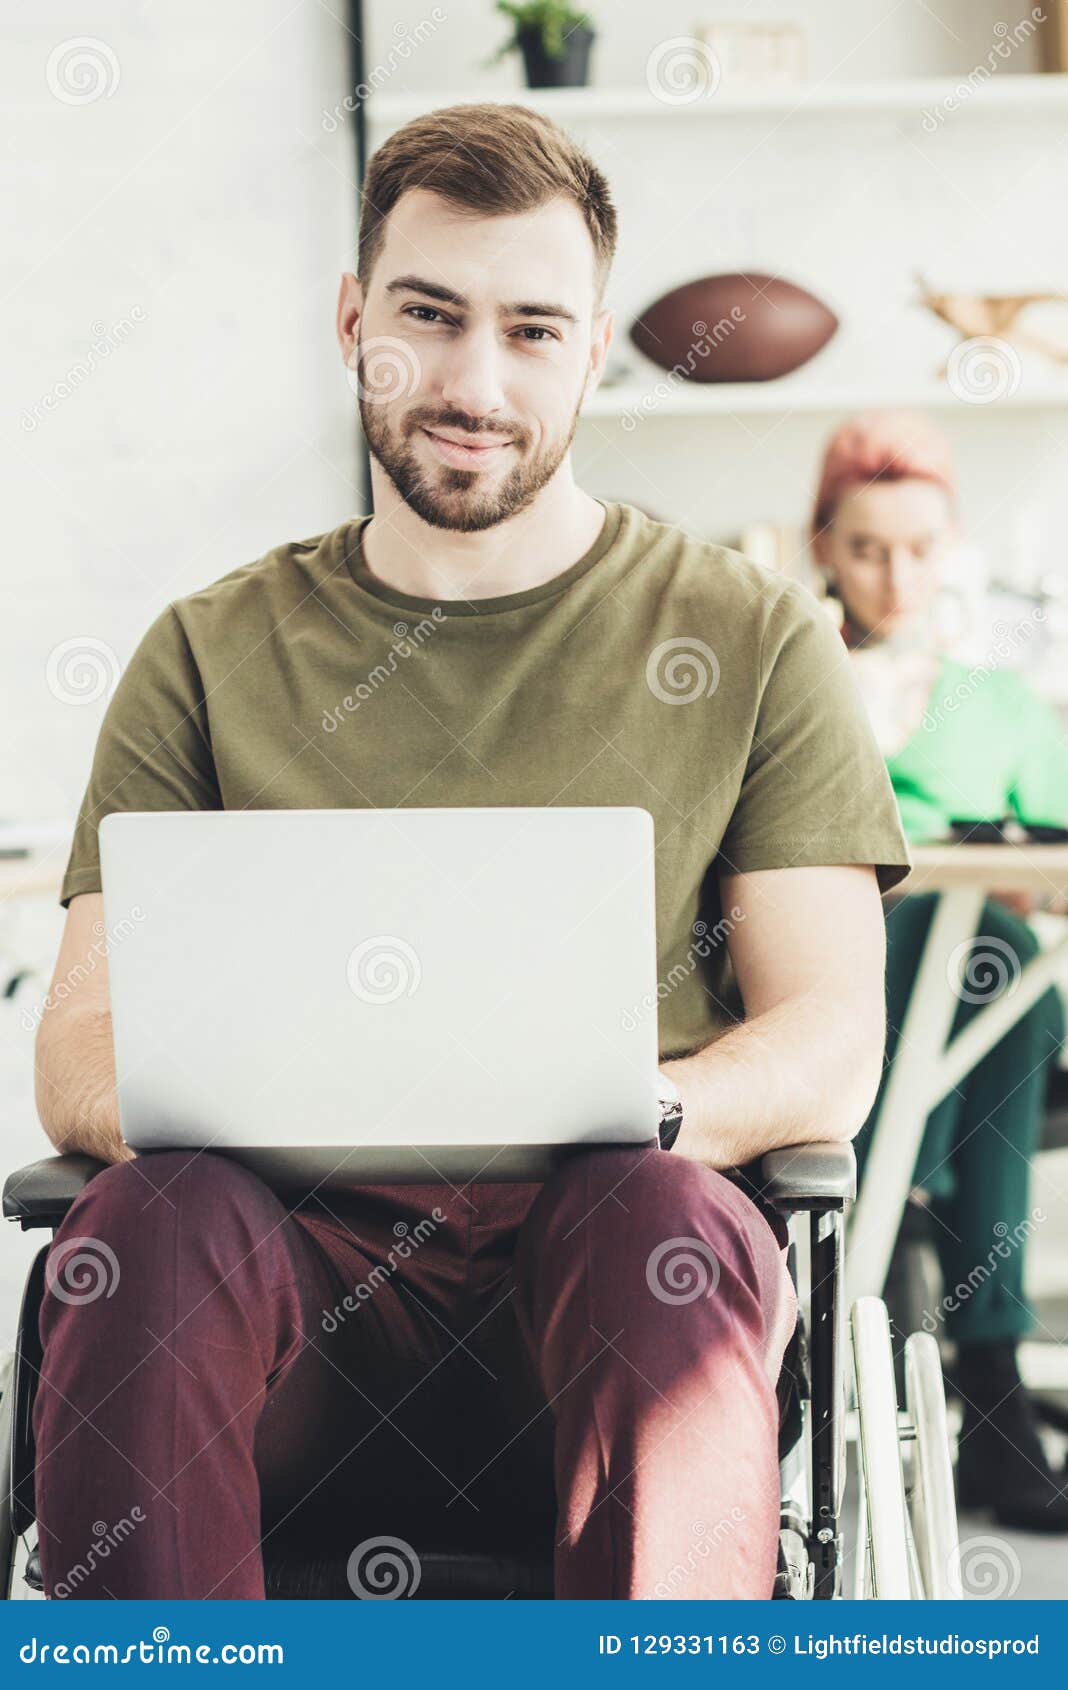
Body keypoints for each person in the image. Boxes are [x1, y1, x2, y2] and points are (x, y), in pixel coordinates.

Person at [31, 103, 910, 1601]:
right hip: (287, 1320)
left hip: (607, 1301)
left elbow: (828, 1036)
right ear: (353, 320)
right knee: (147, 1222)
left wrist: (639, 1103)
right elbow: (80, 1056)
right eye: (429, 317)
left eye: (533, 329)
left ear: (592, 351)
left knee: (654, 1215)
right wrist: (276, 1102)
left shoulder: (752, 639)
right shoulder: (206, 653)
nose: (474, 382)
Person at [810, 409, 1068, 1532]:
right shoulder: (793, 677)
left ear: (952, 547)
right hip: (830, 983)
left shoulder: (1000, 701)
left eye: (919, 548)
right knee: (942, 940)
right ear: (823, 546)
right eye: (868, 548)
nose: (895, 574)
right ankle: (992, 1382)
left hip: (980, 994)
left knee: (989, 947)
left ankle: (874, 1278)